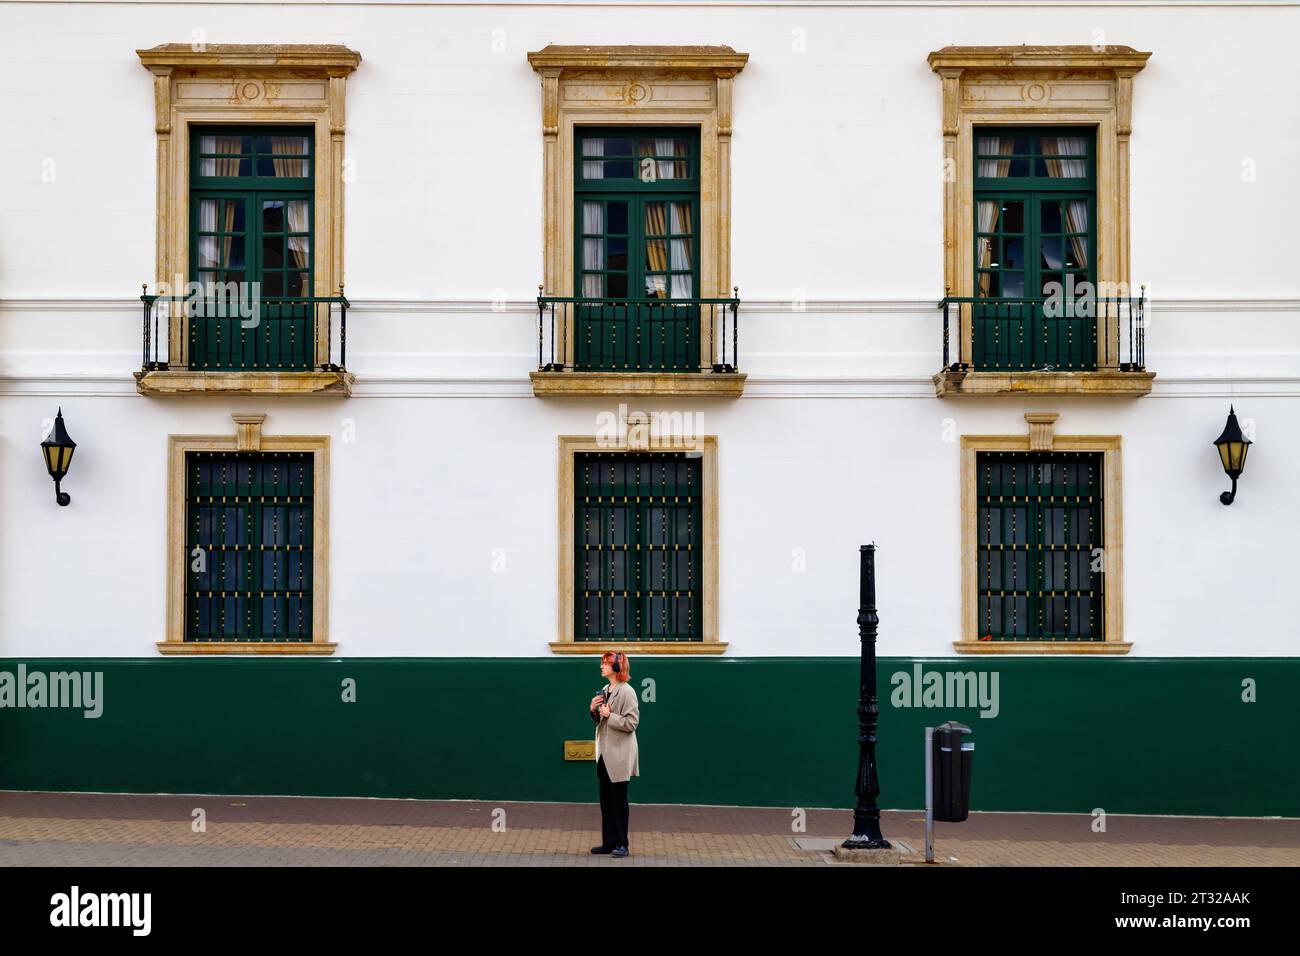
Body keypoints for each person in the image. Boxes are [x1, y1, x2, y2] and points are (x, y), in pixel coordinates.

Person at [588, 650, 639, 857]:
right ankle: (608, 842)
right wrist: (593, 709)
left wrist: (611, 715)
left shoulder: (627, 691)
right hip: (603, 754)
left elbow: (632, 722)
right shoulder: (604, 690)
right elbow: (599, 721)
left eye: (605, 663)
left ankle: (622, 844)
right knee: (606, 802)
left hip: (619, 755)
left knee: (619, 802)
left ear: (617, 667)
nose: (601, 666)